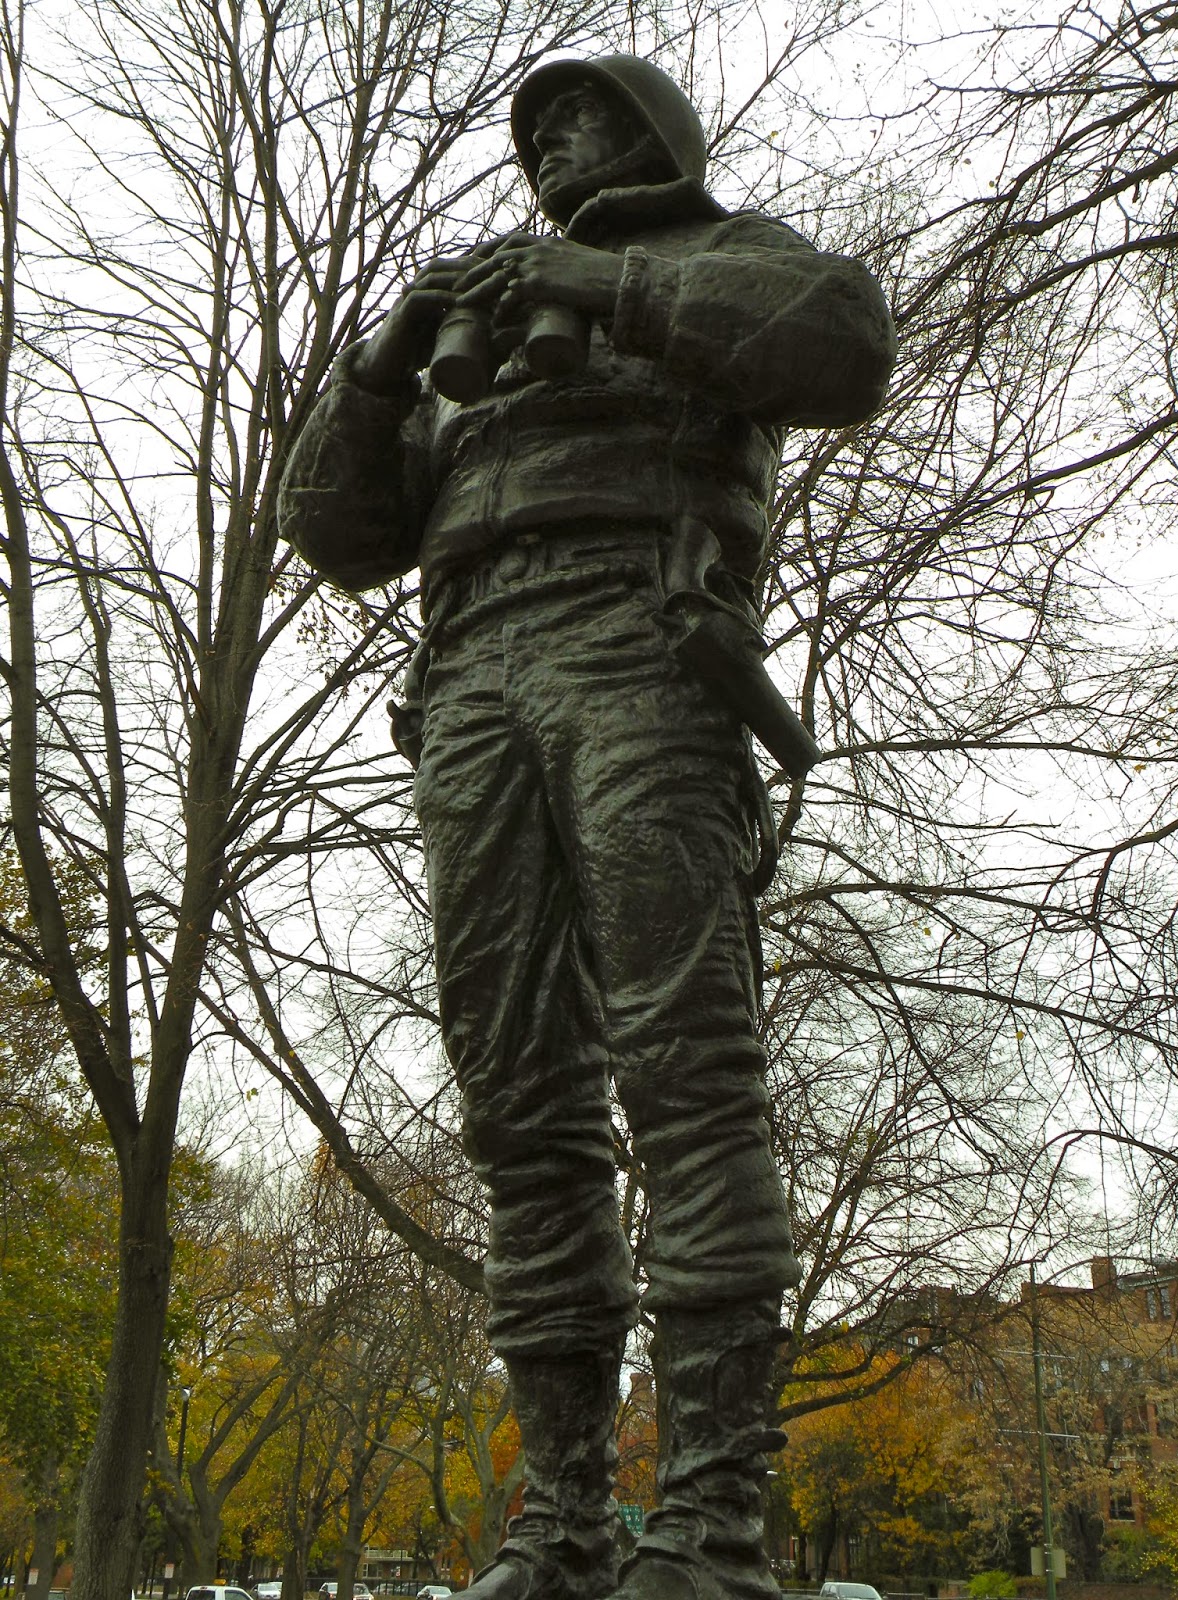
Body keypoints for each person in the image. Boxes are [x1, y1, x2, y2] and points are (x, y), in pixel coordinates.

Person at [279, 53, 895, 1600]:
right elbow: (338, 532)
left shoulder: (722, 255)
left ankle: (709, 1521)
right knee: (516, 1098)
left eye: (583, 115)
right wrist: (390, 359)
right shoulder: (477, 345)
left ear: (658, 137)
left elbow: (843, 347)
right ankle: (559, 1517)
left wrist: (602, 287)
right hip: (473, 673)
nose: (554, 141)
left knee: (686, 1063)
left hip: (642, 639)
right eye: (536, 128)